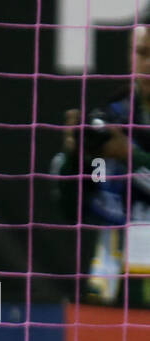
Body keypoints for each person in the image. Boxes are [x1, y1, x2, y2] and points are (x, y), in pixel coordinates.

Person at [53, 24, 150, 305]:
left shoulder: (119, 138)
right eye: (142, 53)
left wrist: (130, 155)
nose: (148, 64)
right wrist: (75, 161)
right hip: (112, 286)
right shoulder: (110, 119)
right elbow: (71, 211)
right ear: (130, 56)